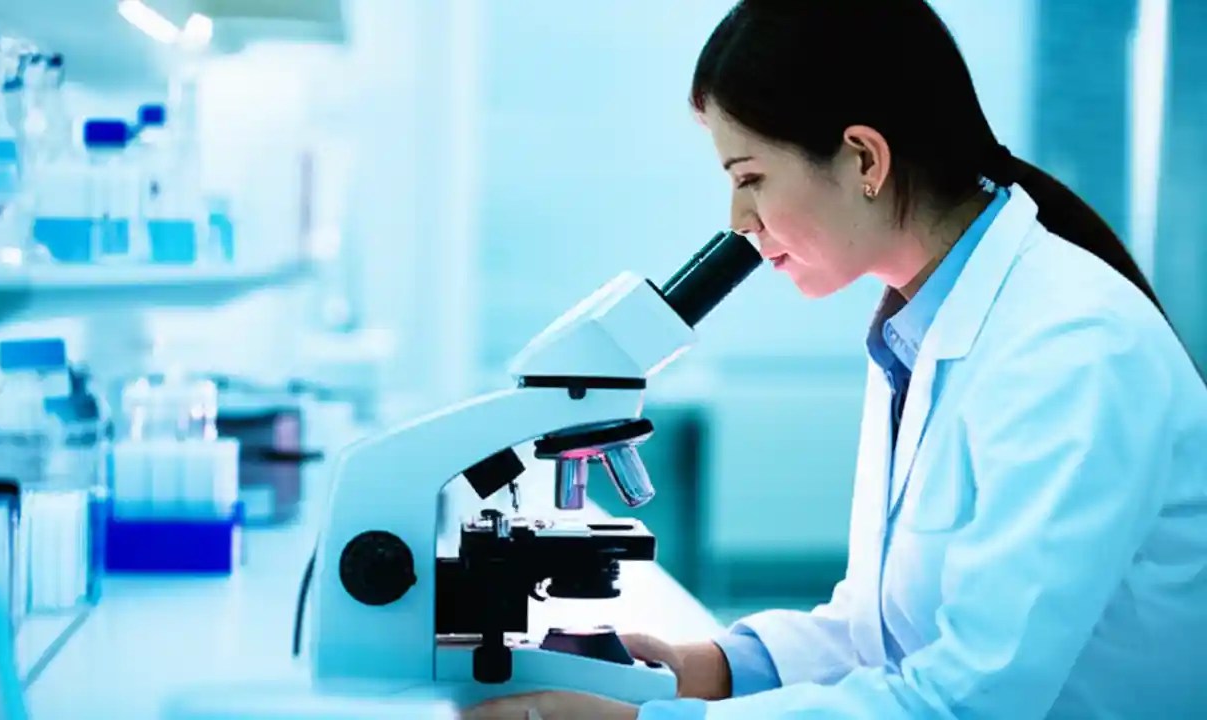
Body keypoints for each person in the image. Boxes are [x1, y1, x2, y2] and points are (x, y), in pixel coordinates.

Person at [466, 0, 1207, 718]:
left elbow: (967, 702)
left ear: (864, 159)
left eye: (749, 178)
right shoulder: (921, 331)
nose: (739, 223)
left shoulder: (1070, 349)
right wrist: (700, 670)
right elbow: (878, 635)